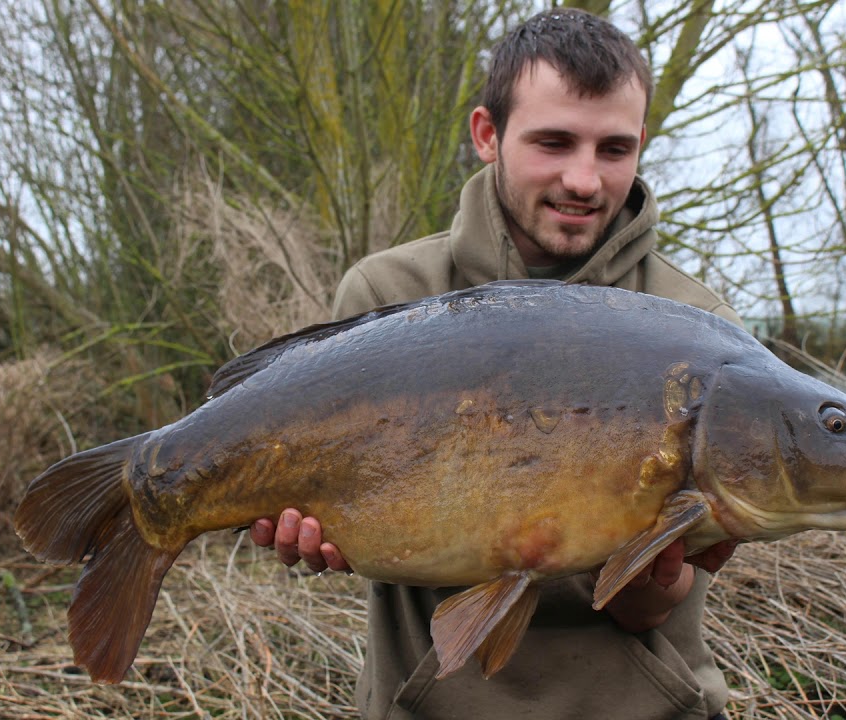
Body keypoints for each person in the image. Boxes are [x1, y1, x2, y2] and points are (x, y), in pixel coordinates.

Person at [251, 8, 741, 719]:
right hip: (430, 704)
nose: (584, 178)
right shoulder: (391, 293)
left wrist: (655, 576)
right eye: (553, 142)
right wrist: (318, 528)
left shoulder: (700, 333)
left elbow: (651, 613)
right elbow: (354, 526)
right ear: (488, 135)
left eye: (614, 148)